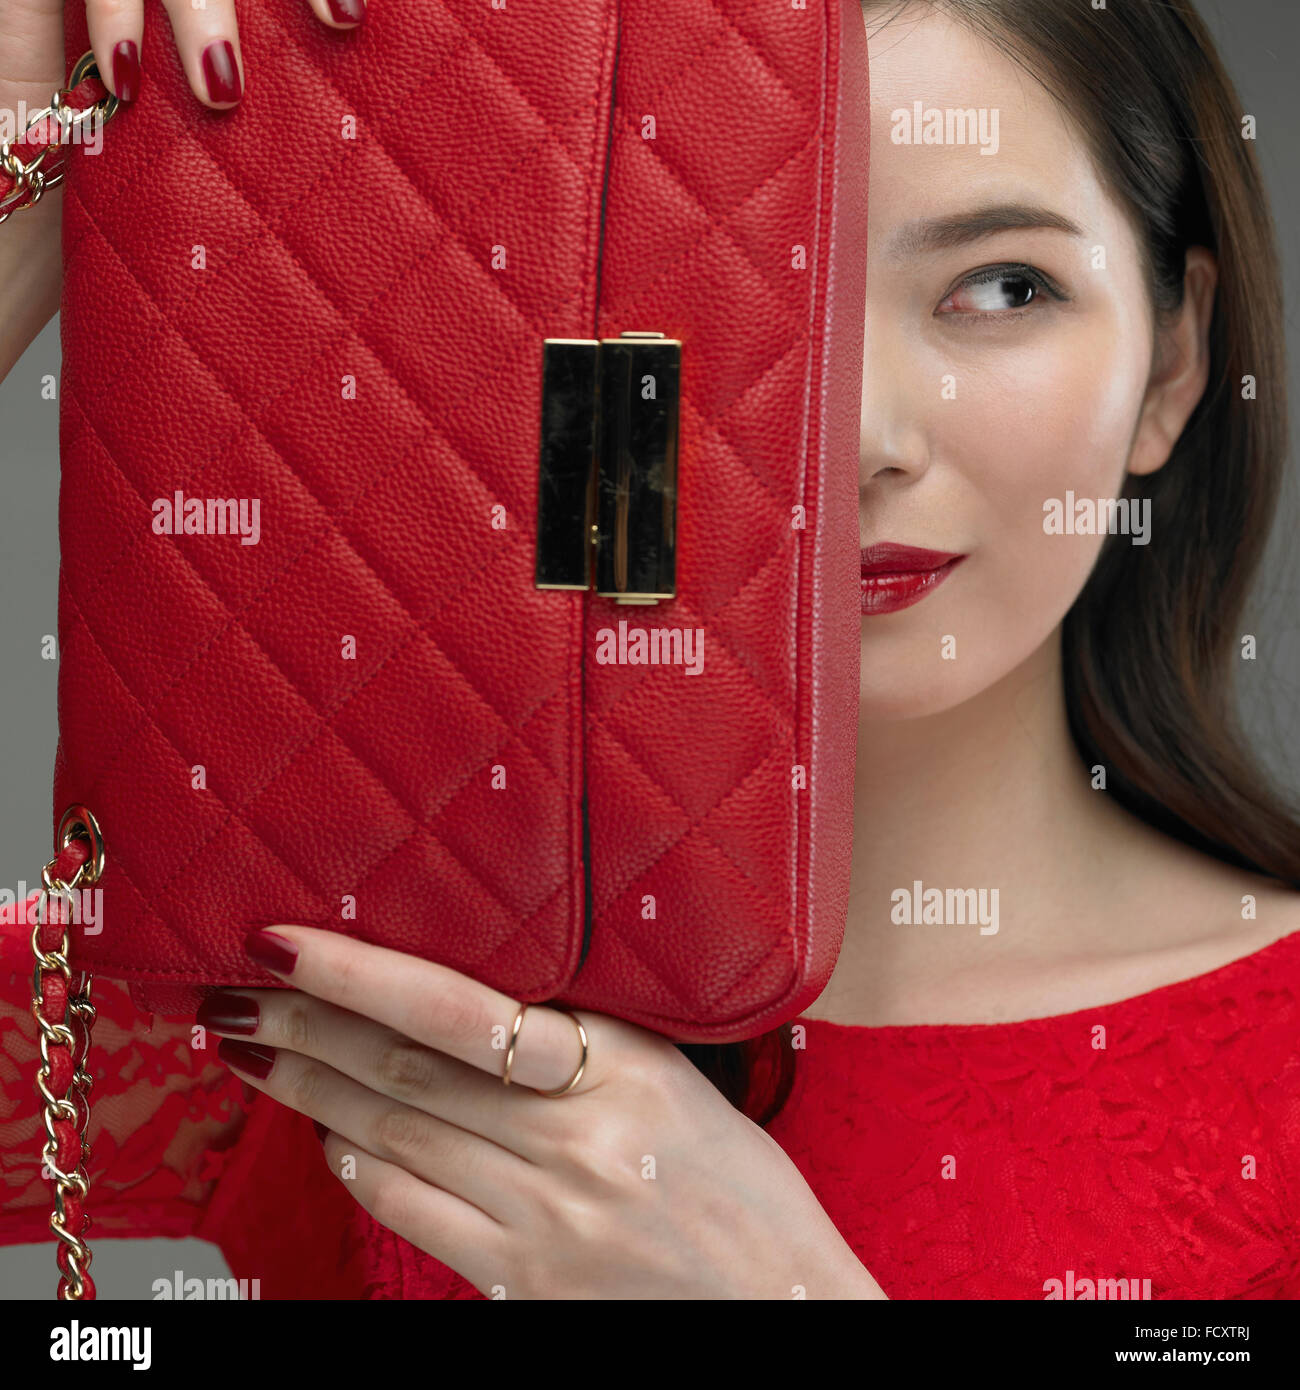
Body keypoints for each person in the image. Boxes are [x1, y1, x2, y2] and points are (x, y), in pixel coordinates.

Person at [1, 0, 1297, 1299]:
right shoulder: (356, 958)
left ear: (1175, 361)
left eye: (1002, 288)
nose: (855, 443)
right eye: (730, 281)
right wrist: (29, 153)